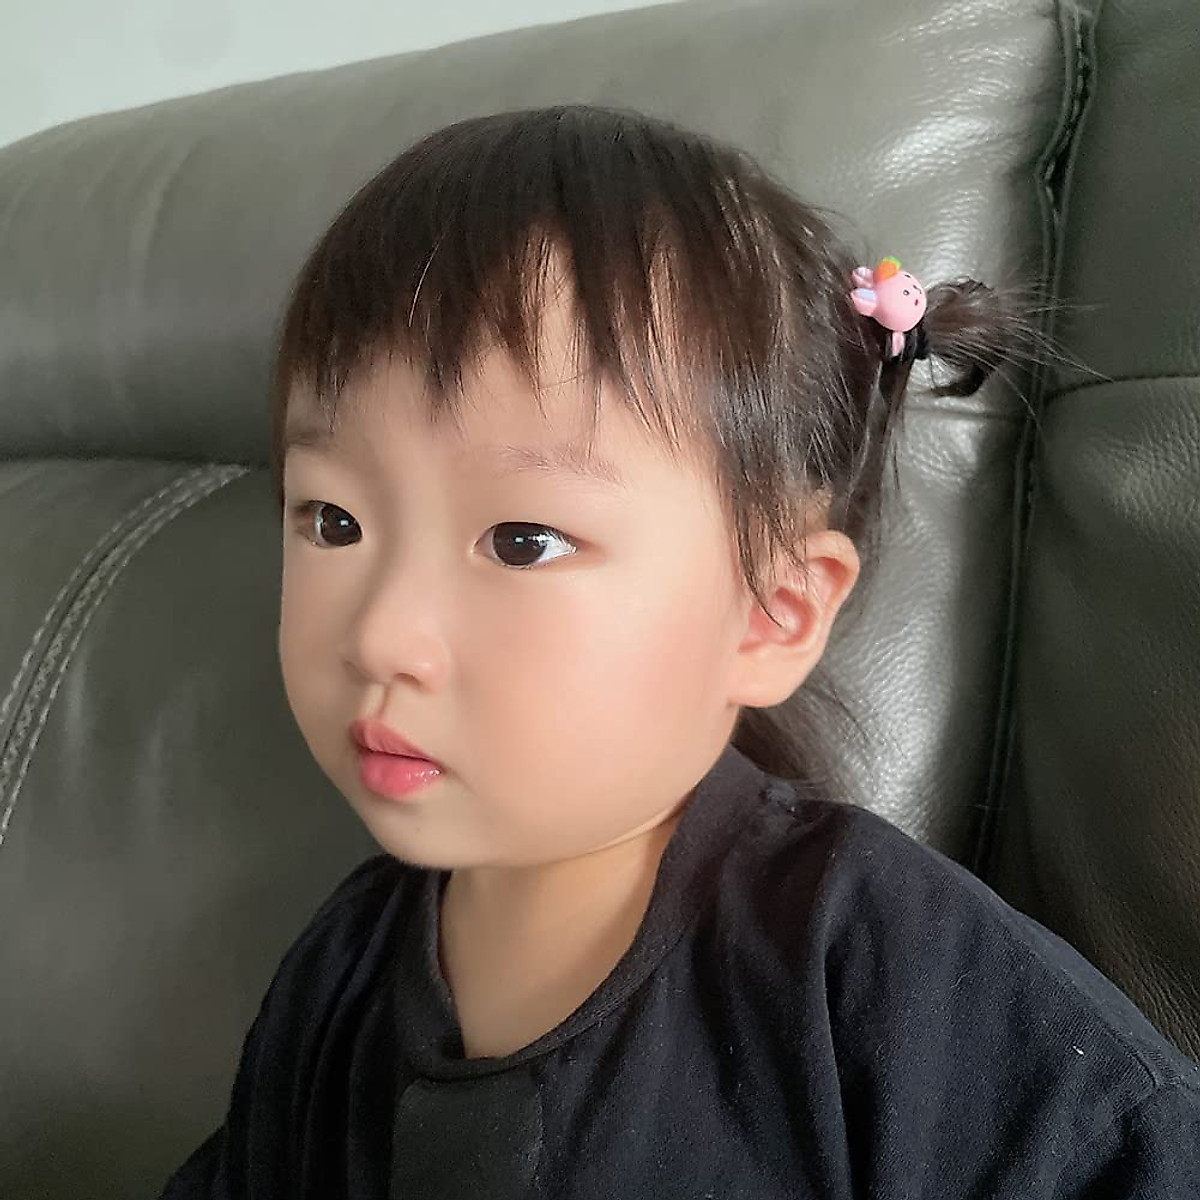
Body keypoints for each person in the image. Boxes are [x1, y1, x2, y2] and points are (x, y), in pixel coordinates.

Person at [159, 105, 1200, 1198]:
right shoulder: (341, 972)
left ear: (770, 616)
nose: (379, 636)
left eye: (523, 541)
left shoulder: (887, 977)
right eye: (332, 521)